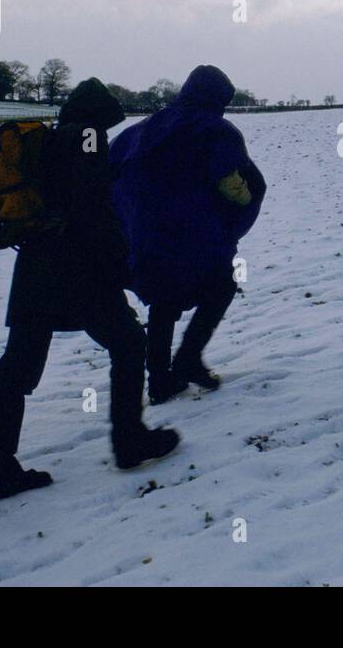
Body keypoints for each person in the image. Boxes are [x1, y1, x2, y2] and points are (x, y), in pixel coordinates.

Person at [0, 78, 179, 504]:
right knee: (128, 344)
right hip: (79, 269)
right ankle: (129, 441)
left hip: (35, 267)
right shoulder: (88, 138)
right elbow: (91, 205)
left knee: (17, 367)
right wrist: (122, 261)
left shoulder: (51, 139)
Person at [110, 65, 265, 404]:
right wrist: (246, 199)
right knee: (220, 287)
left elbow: (114, 170)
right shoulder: (215, 130)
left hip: (146, 235)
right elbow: (231, 183)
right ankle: (189, 359)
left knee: (164, 302)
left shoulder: (145, 128)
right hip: (195, 235)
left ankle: (160, 380)